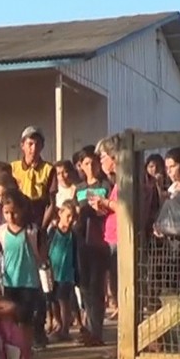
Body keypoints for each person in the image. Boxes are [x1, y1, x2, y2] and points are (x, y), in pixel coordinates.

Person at [0, 194, 45, 359]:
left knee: (26, 325)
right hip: (9, 285)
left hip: (29, 285)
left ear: (22, 211)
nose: (11, 217)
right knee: (9, 325)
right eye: (6, 213)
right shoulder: (1, 233)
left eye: (14, 212)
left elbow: (43, 257)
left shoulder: (32, 231)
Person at [72, 148, 110, 346]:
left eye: (94, 162)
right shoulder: (78, 189)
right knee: (84, 285)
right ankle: (89, 328)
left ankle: (97, 331)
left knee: (97, 286)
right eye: (86, 163)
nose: (91, 167)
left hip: (100, 241)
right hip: (81, 241)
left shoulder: (106, 185)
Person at [47, 201, 79, 342]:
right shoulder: (53, 231)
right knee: (53, 299)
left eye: (73, 217)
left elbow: (76, 253)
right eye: (68, 216)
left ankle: (65, 328)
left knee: (64, 301)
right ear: (60, 214)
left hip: (66, 274)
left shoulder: (73, 234)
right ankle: (57, 323)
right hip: (53, 272)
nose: (70, 220)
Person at [11, 127, 55, 226]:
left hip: (38, 215)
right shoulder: (13, 168)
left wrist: (43, 227)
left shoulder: (49, 169)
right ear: (22, 146)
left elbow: (51, 203)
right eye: (30, 144)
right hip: (18, 217)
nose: (34, 148)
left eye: (37, 144)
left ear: (42, 146)